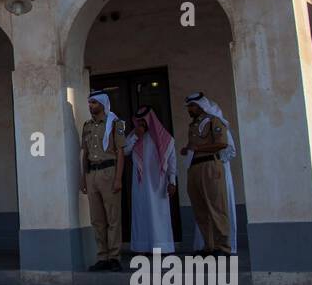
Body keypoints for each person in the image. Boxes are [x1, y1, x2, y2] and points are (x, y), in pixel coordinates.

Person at [182, 92, 237, 256]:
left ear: (200, 106)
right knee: (200, 208)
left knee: (216, 207)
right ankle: (209, 246)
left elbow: (222, 143)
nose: (189, 109)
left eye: (192, 106)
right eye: (188, 107)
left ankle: (224, 247)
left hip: (210, 165)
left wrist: (198, 149)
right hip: (195, 167)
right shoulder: (193, 126)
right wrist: (188, 149)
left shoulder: (214, 121)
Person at [80, 92, 127, 271]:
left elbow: (120, 152)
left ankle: (114, 257)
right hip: (92, 173)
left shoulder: (115, 124)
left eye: (93, 102)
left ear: (102, 104)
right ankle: (102, 256)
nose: (90, 106)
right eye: (89, 102)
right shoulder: (87, 126)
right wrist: (83, 177)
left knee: (113, 217)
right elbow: (85, 153)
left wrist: (118, 178)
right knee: (97, 219)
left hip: (109, 171)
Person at [123, 106, 177, 255]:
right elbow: (124, 150)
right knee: (141, 213)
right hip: (140, 183)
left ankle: (162, 246)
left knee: (158, 214)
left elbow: (172, 161)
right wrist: (136, 136)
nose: (140, 124)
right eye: (138, 121)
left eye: (143, 121)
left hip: (158, 183)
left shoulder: (163, 137)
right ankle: (143, 246)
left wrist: (172, 181)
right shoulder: (134, 135)